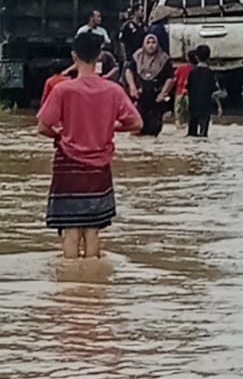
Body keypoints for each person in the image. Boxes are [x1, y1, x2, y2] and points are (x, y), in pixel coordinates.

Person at [37, 28, 142, 258]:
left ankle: (70, 276)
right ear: (99, 56)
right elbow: (136, 123)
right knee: (93, 230)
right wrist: (111, 127)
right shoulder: (113, 90)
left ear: (74, 56)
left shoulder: (63, 90)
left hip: (68, 165)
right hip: (99, 166)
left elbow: (43, 126)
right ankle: (93, 276)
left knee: (70, 230)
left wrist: (59, 136)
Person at [133, 32, 175, 137]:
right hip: (141, 95)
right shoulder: (137, 56)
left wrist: (163, 93)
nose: (151, 45)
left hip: (156, 97)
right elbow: (128, 71)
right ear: (144, 44)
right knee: (138, 126)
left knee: (153, 128)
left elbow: (171, 77)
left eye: (153, 42)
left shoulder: (164, 58)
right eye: (148, 42)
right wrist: (132, 87)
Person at [186, 43, 215, 137]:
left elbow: (188, 87)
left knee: (192, 132)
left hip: (193, 105)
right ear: (209, 57)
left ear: (197, 57)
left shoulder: (192, 72)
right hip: (205, 106)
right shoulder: (210, 73)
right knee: (204, 133)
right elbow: (213, 90)